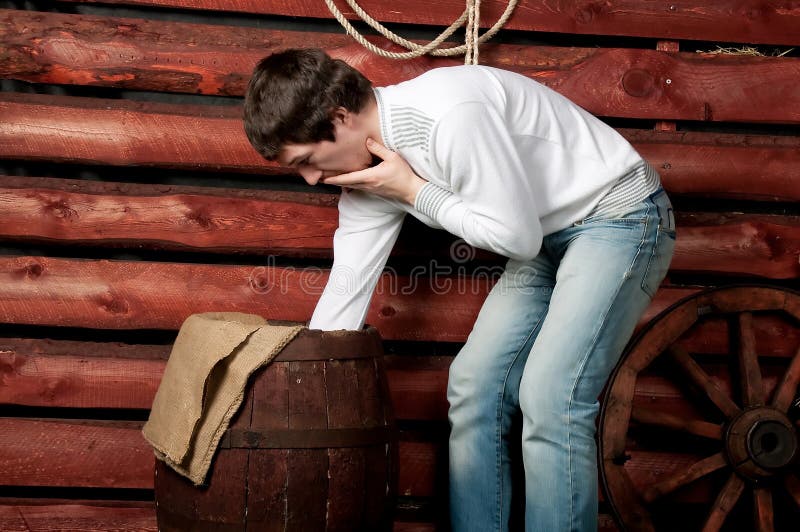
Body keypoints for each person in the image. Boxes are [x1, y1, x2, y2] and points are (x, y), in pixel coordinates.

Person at [243, 48, 676, 532]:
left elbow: (516, 238)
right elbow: (348, 283)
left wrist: (414, 192)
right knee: (472, 386)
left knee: (551, 396)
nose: (310, 178)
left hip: (617, 217)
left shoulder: (449, 116)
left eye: (306, 160)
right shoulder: (369, 170)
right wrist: (307, 383)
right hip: (544, 239)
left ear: (339, 117)